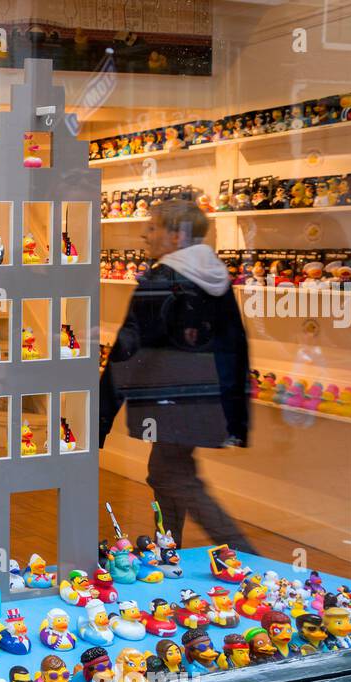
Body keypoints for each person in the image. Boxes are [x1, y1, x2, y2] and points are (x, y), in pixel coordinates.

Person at [98, 200, 250, 551]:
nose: (145, 235)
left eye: (153, 228)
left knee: (173, 476)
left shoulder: (163, 279)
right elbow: (233, 347)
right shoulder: (215, 276)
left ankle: (240, 555)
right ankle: (168, 550)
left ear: (177, 235)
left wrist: (101, 414)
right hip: (203, 400)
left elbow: (128, 351)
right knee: (168, 472)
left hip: (169, 400)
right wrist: (234, 414)